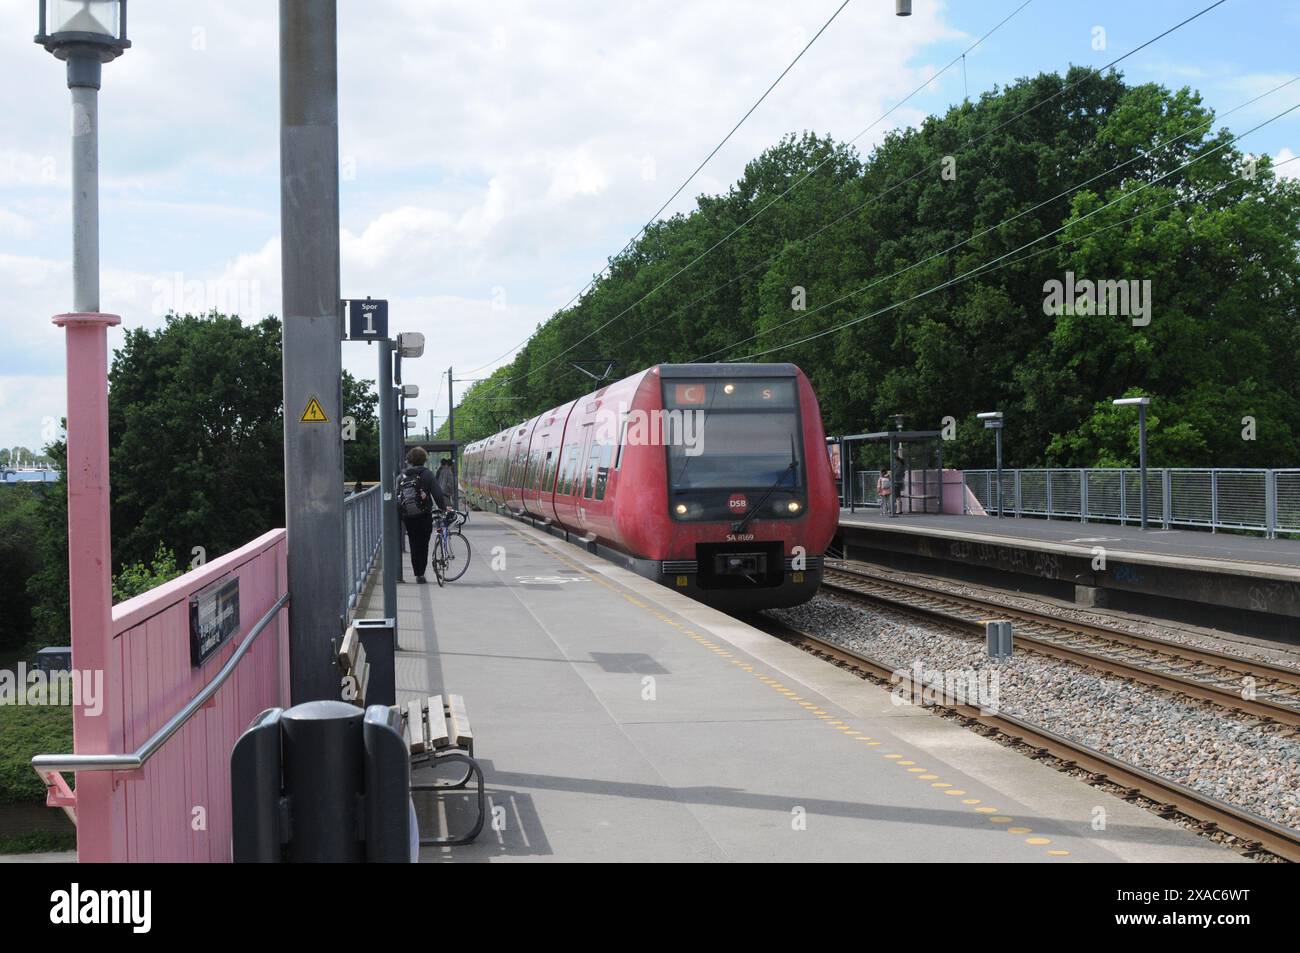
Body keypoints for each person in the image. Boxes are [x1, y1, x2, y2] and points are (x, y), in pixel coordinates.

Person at [397, 446, 453, 583]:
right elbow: (437, 494)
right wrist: (444, 508)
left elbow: (397, 496)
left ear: (409, 459)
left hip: (408, 516)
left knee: (413, 542)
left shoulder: (402, 476)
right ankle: (421, 574)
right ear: (424, 460)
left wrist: (400, 514)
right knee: (423, 544)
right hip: (424, 515)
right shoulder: (427, 474)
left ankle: (417, 572)